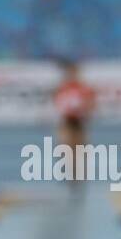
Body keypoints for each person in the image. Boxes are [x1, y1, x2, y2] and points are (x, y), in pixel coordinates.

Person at [53, 59, 96, 198]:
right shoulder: (63, 87)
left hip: (79, 120)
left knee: (79, 149)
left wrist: (87, 112)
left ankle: (77, 176)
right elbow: (57, 102)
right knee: (65, 147)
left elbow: (90, 103)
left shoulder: (83, 88)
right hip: (67, 120)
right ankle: (68, 172)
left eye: (74, 72)